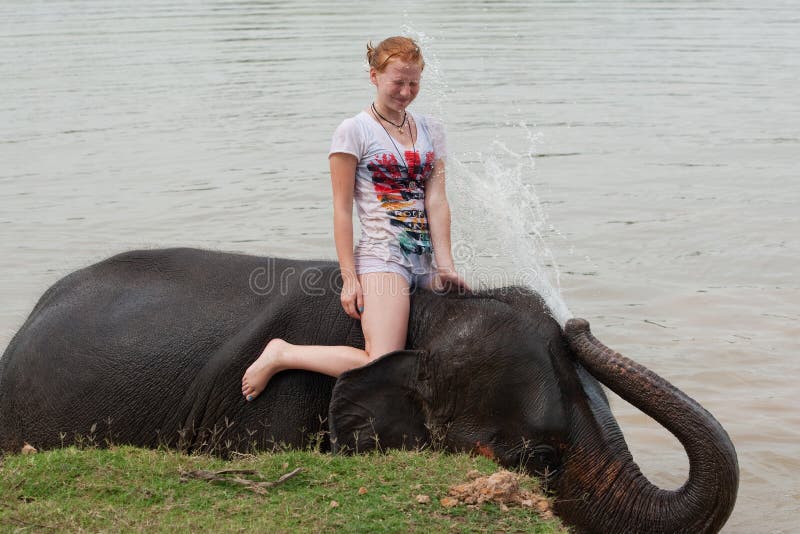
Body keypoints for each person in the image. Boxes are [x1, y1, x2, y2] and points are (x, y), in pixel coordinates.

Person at [241, 36, 468, 401]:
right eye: (398, 82)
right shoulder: (354, 131)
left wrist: (446, 265)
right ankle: (283, 354)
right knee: (382, 363)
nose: (406, 92)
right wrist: (350, 277)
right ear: (374, 76)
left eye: (414, 83)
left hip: (423, 260)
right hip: (384, 258)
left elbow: (437, 201)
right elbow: (342, 209)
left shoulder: (432, 129)